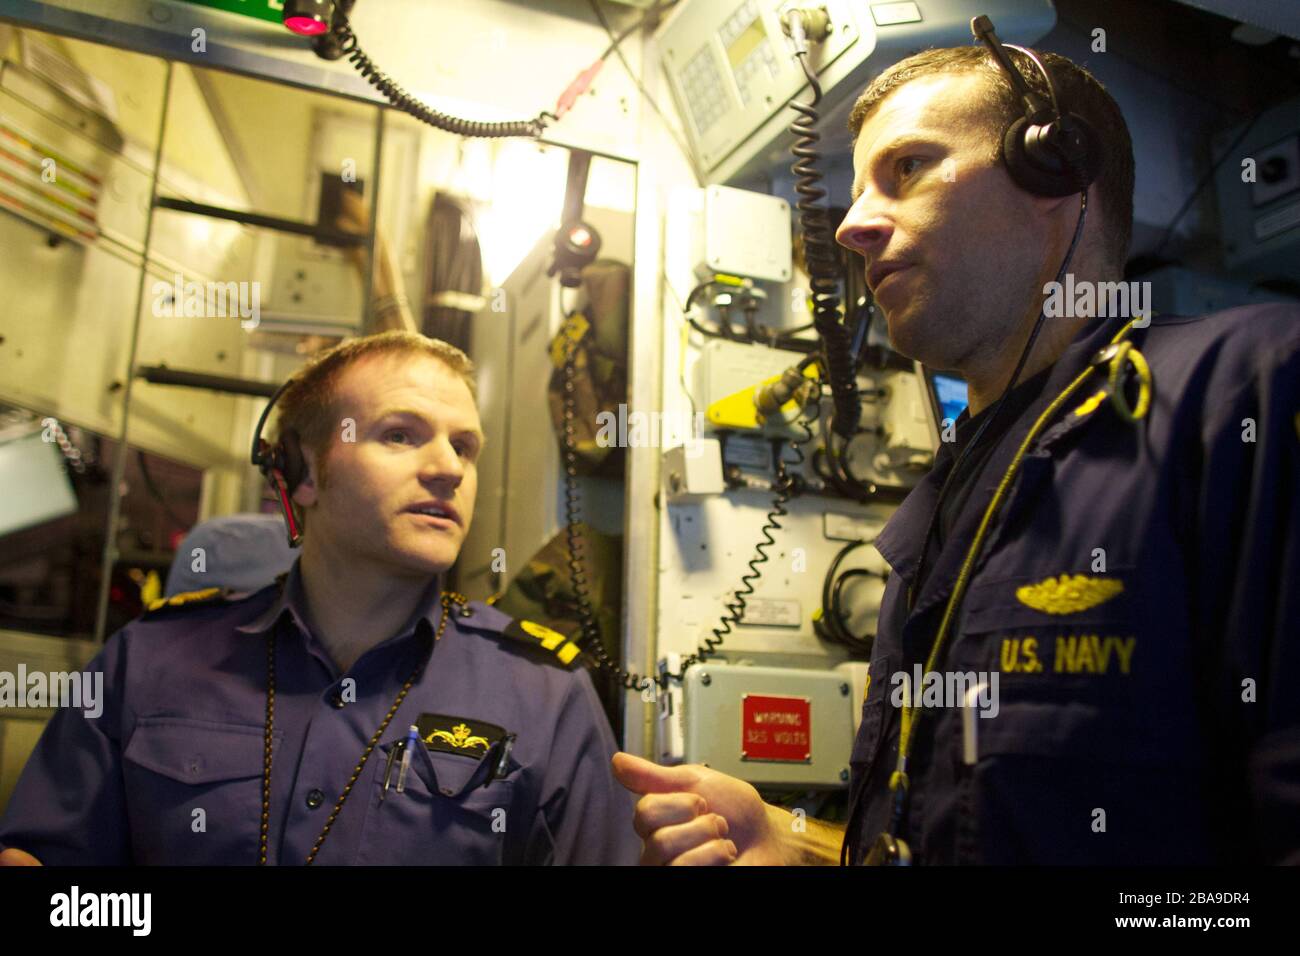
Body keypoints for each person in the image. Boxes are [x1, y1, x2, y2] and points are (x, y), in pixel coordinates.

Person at [613, 42, 1299, 865]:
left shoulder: (1245, 391)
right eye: (859, 185)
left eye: (908, 168)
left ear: (1056, 170)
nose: (851, 225)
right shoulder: (944, 512)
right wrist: (788, 845)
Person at [0, 331, 639, 865]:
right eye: (401, 434)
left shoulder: (547, 695)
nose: (449, 468)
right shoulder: (146, 662)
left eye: (464, 446)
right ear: (303, 472)